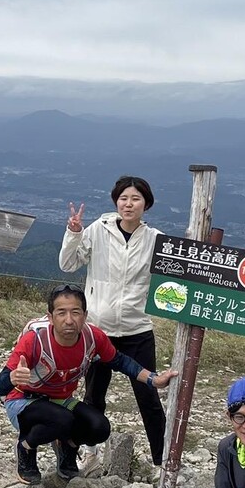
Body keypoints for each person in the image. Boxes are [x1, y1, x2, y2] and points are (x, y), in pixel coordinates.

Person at [0, 284, 178, 485]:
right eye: (61, 313)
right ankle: (26, 448)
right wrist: (12, 378)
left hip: (61, 401)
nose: (69, 320)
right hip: (23, 401)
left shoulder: (93, 337)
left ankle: (67, 446)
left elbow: (120, 361)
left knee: (99, 427)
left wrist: (153, 379)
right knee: (63, 420)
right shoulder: (35, 340)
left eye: (75, 312)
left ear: (85, 315)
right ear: (50, 317)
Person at [58, 175, 166, 470]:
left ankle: (163, 464)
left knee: (148, 398)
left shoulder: (155, 240)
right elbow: (68, 264)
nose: (128, 204)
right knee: (94, 396)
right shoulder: (98, 230)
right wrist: (74, 232)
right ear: (116, 202)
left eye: (135, 199)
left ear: (146, 204)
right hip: (98, 330)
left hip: (137, 329)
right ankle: (90, 455)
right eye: (123, 198)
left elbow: (175, 278)